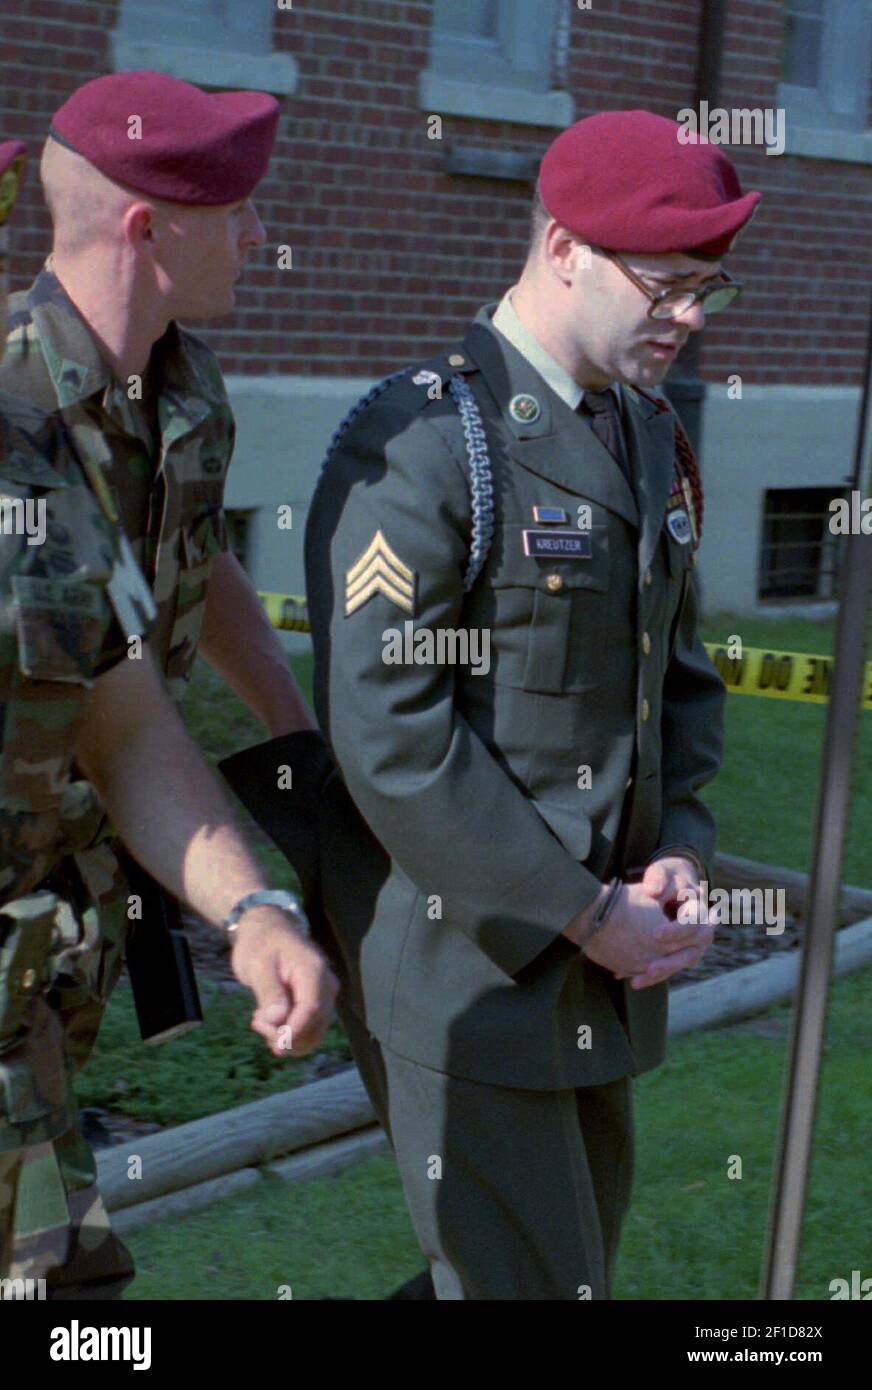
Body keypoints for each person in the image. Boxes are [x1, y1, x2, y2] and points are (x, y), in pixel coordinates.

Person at [300, 109, 762, 1299]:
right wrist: (577, 910)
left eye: (709, 285)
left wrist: (678, 854)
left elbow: (675, 681)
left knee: (547, 1273)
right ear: (561, 246)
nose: (692, 318)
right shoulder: (424, 441)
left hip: (595, 974)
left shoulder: (641, 430)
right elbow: (389, 738)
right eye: (665, 286)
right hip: (472, 976)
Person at [0, 73, 335, 1298]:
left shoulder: (182, 391)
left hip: (57, 931)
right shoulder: (14, 419)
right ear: (150, 226)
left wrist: (286, 739)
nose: (256, 235)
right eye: (237, 210)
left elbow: (152, 652)